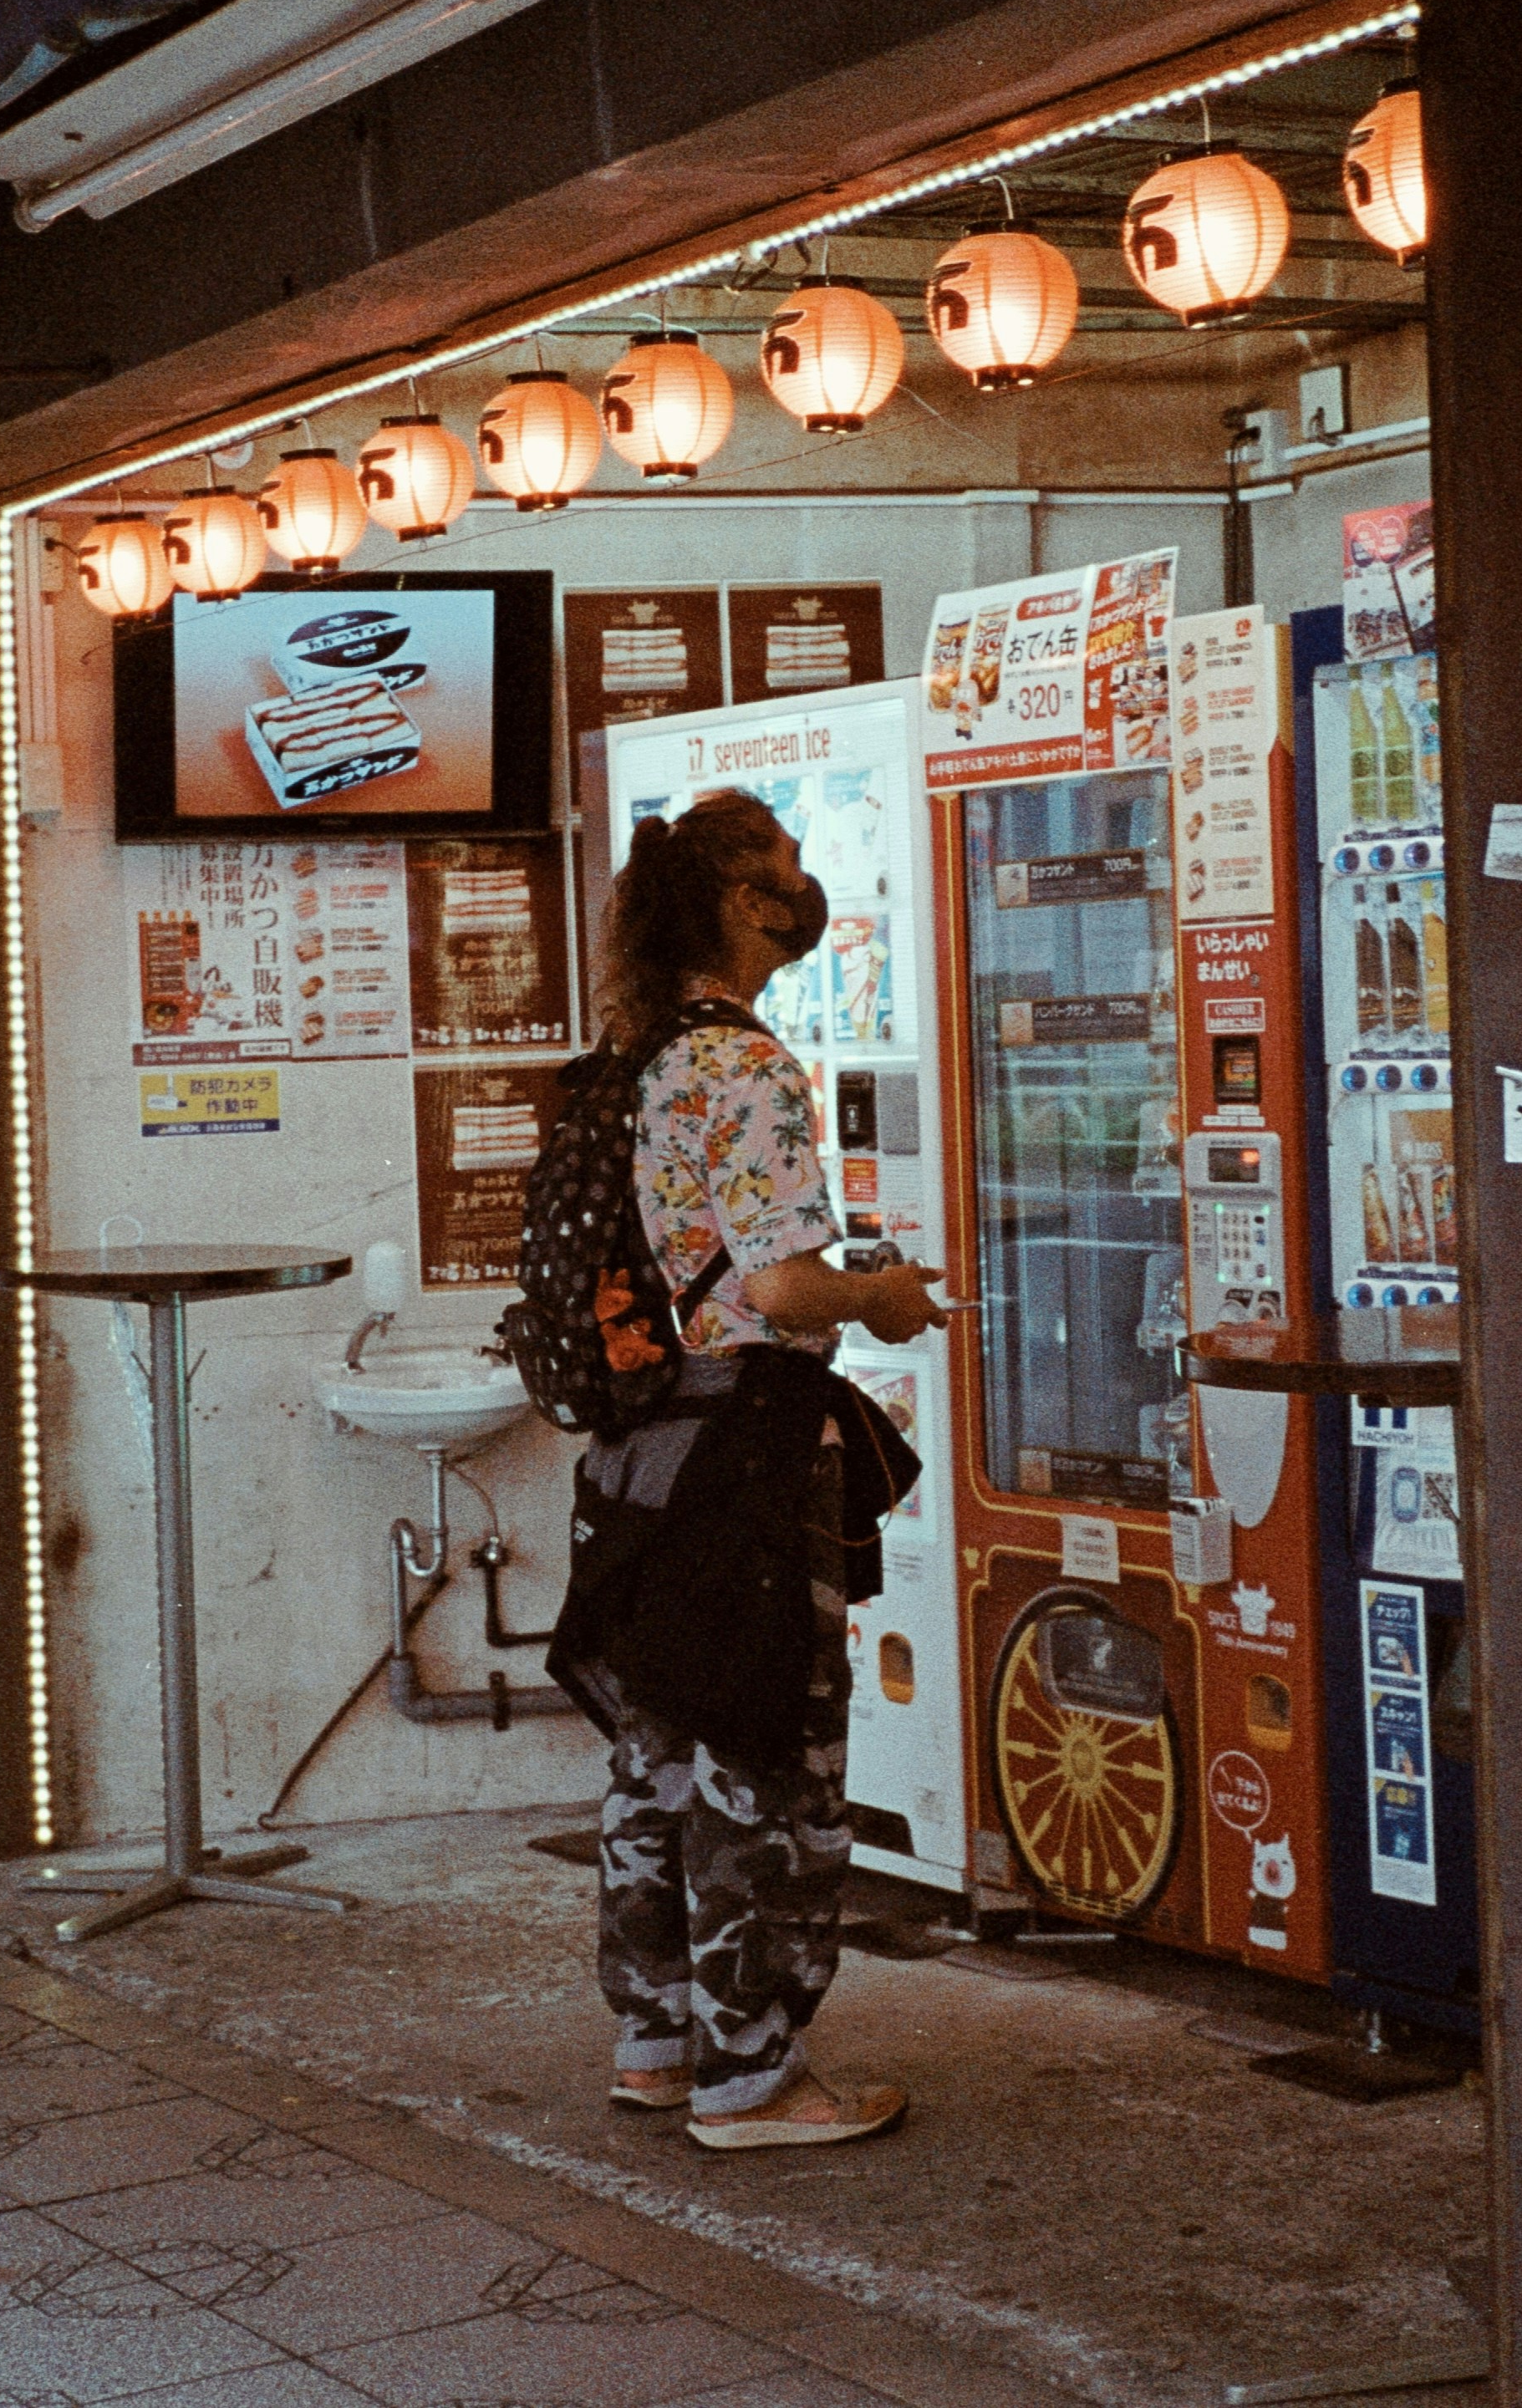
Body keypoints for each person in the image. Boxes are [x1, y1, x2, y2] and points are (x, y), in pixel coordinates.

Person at [544, 789, 947, 2150]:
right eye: (782, 861)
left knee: (661, 1750)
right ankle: (753, 2078)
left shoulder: (641, 1054)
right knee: (762, 1762)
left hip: (649, 1452)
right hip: (746, 1458)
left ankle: (656, 2041)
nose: (805, 880)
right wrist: (882, 1298)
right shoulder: (748, 1068)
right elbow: (777, 1283)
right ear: (735, 896)